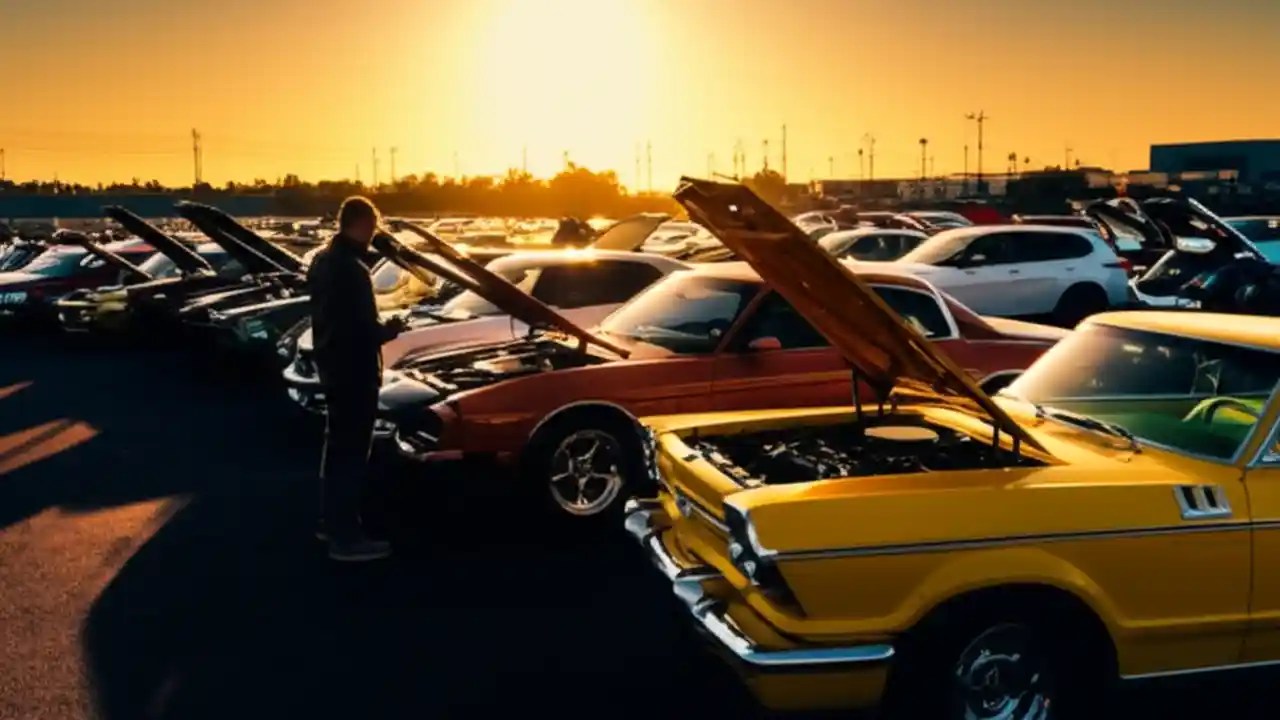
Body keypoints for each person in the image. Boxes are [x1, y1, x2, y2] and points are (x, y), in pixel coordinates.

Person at [308, 196, 406, 562]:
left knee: (335, 450)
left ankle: (328, 521)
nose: (374, 234)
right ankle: (347, 537)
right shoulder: (352, 269)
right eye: (374, 226)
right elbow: (363, 328)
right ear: (364, 224)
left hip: (331, 367)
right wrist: (391, 330)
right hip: (355, 371)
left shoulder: (321, 261)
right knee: (351, 453)